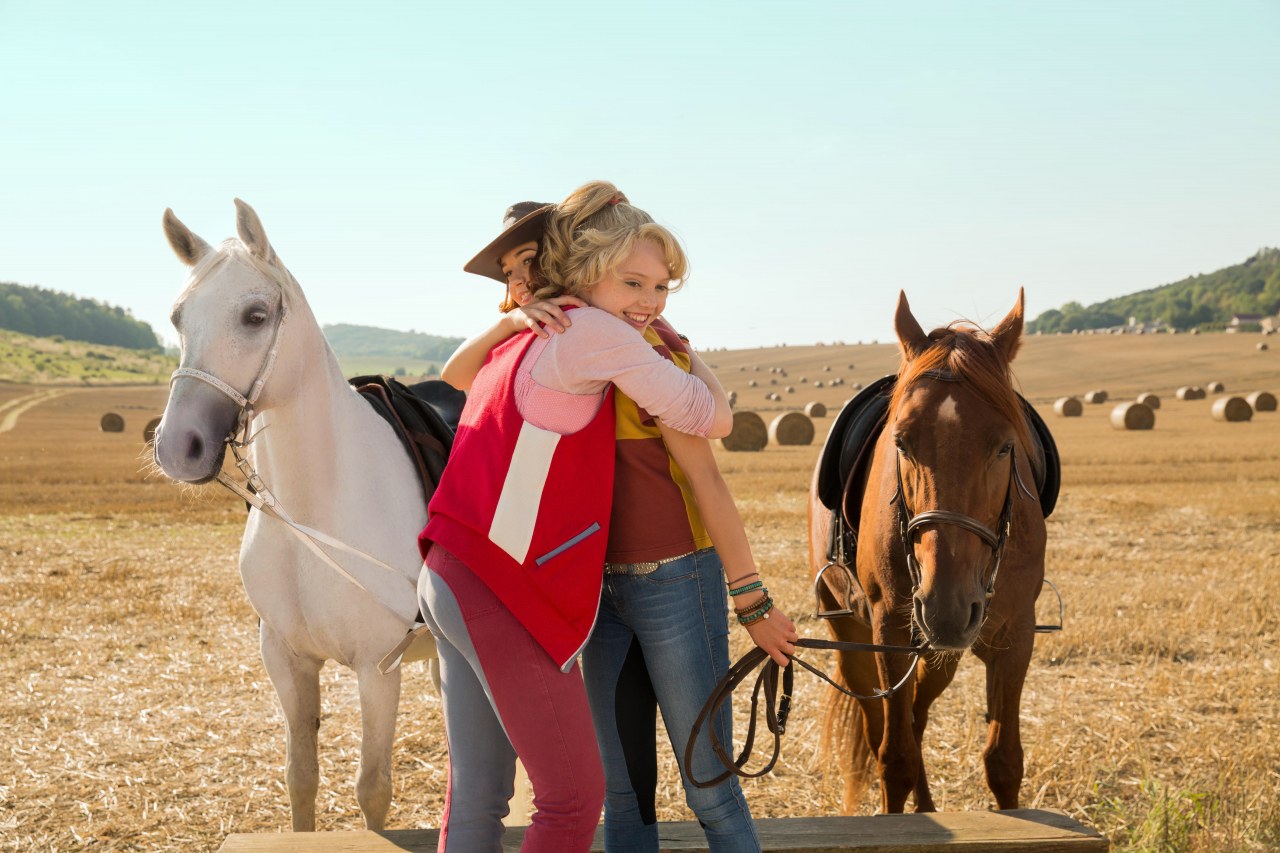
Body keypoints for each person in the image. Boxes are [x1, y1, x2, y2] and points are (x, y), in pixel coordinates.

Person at [445, 182, 798, 852]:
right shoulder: (554, 353)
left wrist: (751, 596)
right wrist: (517, 318)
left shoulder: (653, 359)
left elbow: (707, 476)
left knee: (708, 781)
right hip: (592, 589)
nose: (650, 301)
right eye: (634, 283)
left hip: (675, 580)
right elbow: (460, 375)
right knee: (620, 787)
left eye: (661, 288)